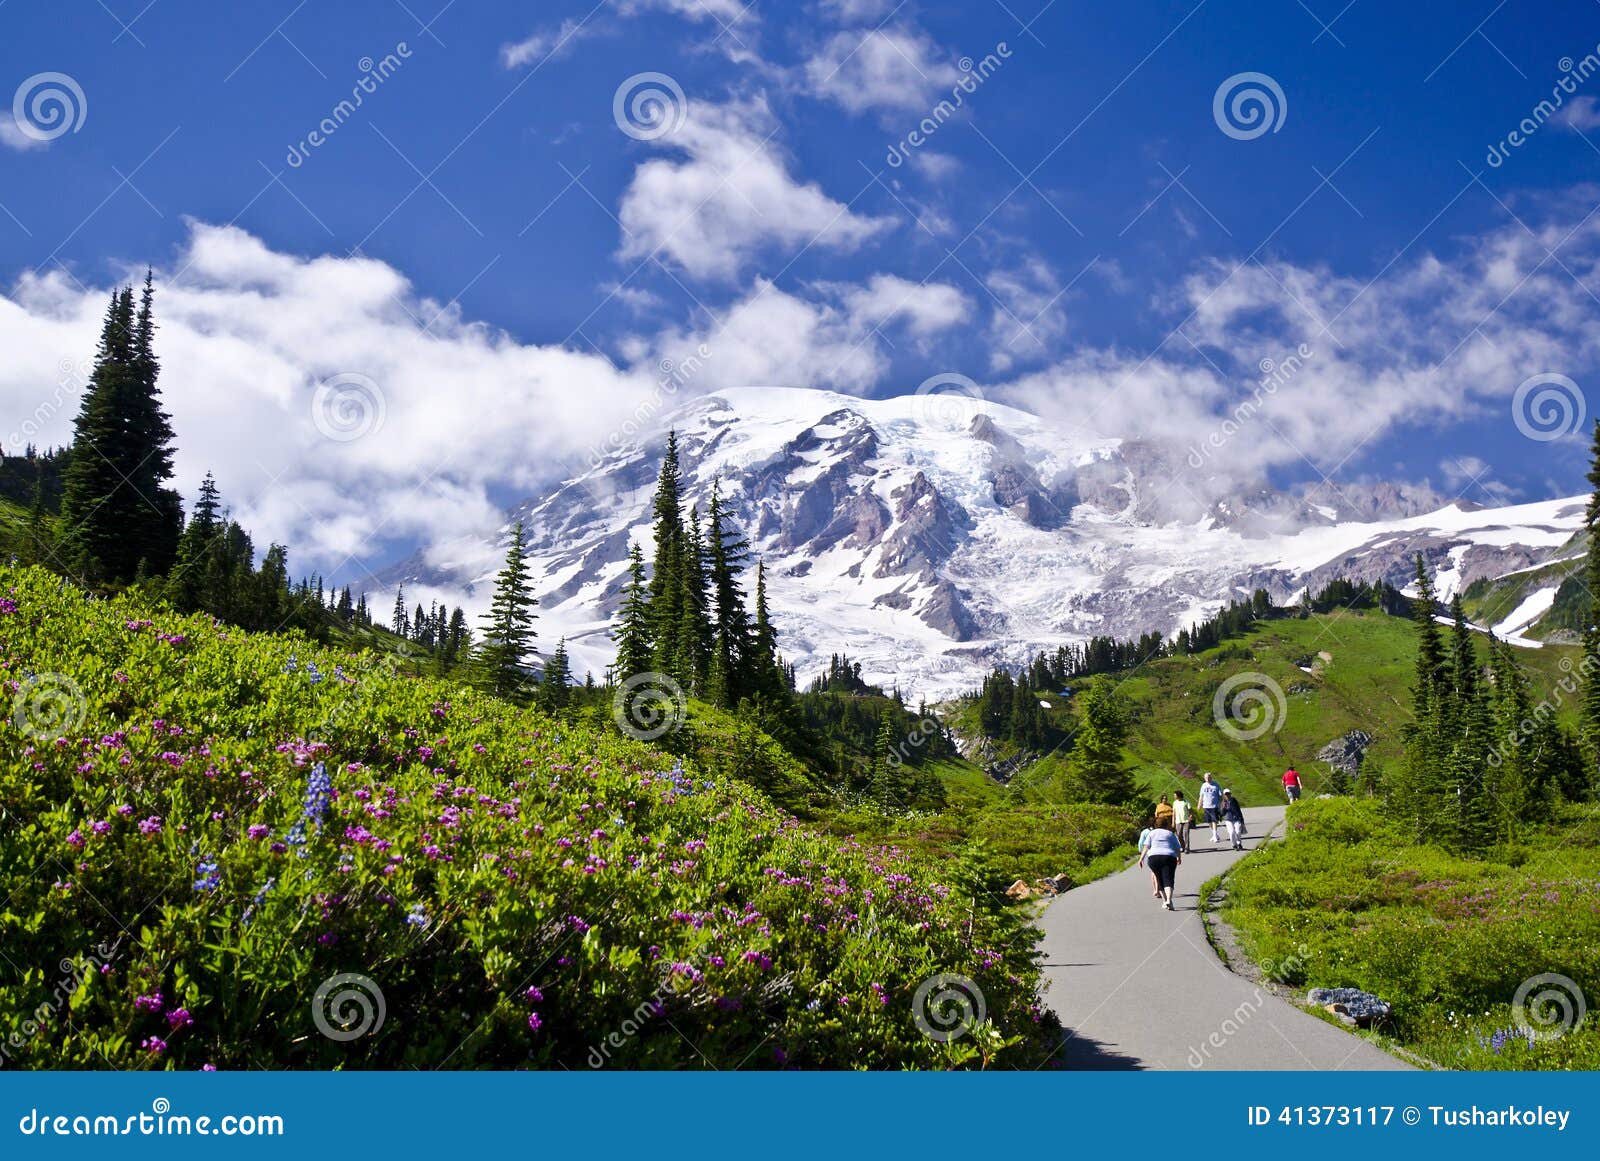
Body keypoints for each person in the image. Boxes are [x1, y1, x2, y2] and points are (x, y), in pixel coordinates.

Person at [1139, 824, 1183, 910]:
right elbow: (1177, 847)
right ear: (1166, 825)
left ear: (1156, 825)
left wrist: (1141, 858)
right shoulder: (1170, 833)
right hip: (1169, 856)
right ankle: (1169, 900)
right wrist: (1179, 857)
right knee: (1168, 879)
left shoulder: (1151, 833)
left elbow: (1146, 846)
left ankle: (1164, 901)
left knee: (1159, 879)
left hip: (1153, 857)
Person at [1135, 825, 1161, 901]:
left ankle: (1156, 889)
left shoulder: (1144, 832)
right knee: (1158, 872)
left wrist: (1141, 853)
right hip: (1159, 852)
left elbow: (1141, 843)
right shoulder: (1158, 831)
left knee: (1153, 872)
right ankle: (1158, 889)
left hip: (1149, 854)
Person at [1199, 773, 1222, 844]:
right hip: (1206, 806)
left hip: (1214, 806)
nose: (1207, 779)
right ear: (1204, 778)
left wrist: (1220, 804)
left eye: (1209, 777)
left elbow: (1220, 795)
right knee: (1209, 821)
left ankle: (1215, 836)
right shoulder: (1203, 785)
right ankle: (1214, 834)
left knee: (1214, 821)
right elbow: (1201, 796)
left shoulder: (1216, 785)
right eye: (1206, 778)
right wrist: (1199, 805)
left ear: (1211, 777)